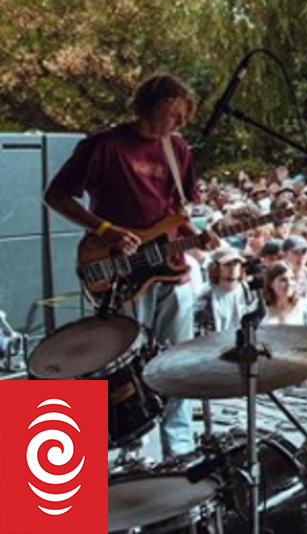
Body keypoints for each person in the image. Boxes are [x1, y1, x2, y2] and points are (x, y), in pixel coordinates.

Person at [43, 72, 212, 460]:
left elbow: (178, 211)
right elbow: (56, 195)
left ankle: (178, 449)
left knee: (178, 361)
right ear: (159, 104)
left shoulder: (178, 149)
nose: (182, 123)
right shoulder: (104, 145)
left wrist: (197, 234)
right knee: (121, 364)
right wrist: (105, 229)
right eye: (177, 114)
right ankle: (128, 451)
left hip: (170, 267)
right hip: (119, 268)